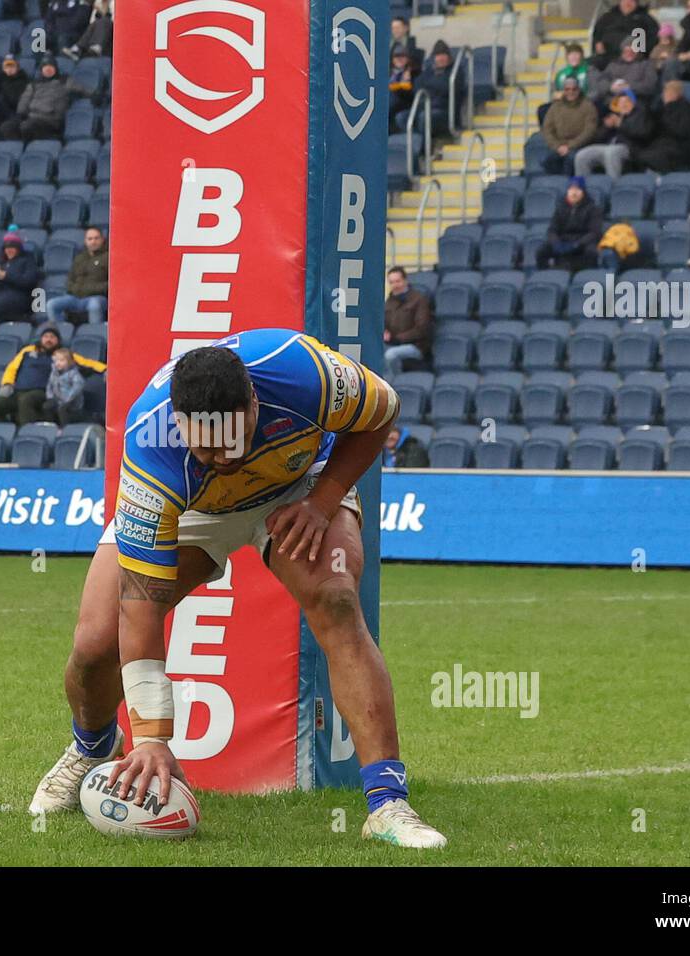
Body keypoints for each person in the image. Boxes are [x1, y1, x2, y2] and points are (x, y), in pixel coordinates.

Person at [27, 329, 447, 850]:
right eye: (208, 450)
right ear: (180, 426)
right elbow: (142, 610)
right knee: (96, 645)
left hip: (299, 485)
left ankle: (388, 804)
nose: (226, 458)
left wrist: (324, 500)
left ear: (254, 401)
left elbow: (383, 412)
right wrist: (152, 740)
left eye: (235, 442)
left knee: (336, 601)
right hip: (194, 511)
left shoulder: (305, 372)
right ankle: (92, 747)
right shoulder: (149, 451)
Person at [0, 325, 104, 426]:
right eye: (46, 336)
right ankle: (7, 431)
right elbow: (11, 368)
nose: (48, 340)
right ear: (41, 339)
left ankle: (29, 435)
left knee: (26, 400)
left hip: (43, 392)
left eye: (52, 337)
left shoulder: (61, 355)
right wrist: (7, 383)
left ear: (57, 340)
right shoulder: (27, 351)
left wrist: (105, 369)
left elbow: (87, 362)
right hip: (18, 391)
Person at [574, 90, 653, 180]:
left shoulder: (640, 114)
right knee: (582, 155)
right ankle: (580, 187)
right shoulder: (615, 114)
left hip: (629, 148)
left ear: (633, 102)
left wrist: (621, 124)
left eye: (626, 102)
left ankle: (613, 187)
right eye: (620, 102)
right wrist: (606, 127)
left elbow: (642, 133)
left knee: (611, 152)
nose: (623, 105)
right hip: (609, 146)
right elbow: (597, 138)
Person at [535, 176, 603, 271]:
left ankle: (584, 277)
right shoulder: (560, 208)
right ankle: (546, 275)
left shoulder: (593, 209)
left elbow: (595, 232)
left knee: (591, 252)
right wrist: (556, 243)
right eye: (571, 189)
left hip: (582, 242)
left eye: (577, 189)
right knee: (541, 251)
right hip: (563, 240)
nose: (574, 193)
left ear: (583, 191)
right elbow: (552, 230)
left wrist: (578, 244)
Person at [46, 226, 107, 325]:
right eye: (90, 239)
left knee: (94, 305)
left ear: (102, 239)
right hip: (75, 297)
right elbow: (70, 280)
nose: (93, 241)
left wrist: (89, 289)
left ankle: (94, 331)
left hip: (97, 297)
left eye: (96, 238)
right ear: (85, 241)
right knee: (51, 304)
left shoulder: (108, 257)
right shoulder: (79, 258)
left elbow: (111, 284)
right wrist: (75, 289)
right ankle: (59, 333)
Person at [0, 57, 67, 141]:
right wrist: (21, 114)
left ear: (55, 68)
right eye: (45, 67)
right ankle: (18, 148)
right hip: (31, 118)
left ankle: (30, 145)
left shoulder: (64, 82)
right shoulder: (34, 84)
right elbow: (24, 101)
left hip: (49, 120)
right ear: (41, 70)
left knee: (27, 126)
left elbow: (82, 89)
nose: (48, 69)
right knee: (6, 126)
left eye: (51, 67)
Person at [539, 75, 596, 175]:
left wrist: (570, 146)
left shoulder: (588, 106)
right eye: (567, 89)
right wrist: (557, 146)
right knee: (546, 160)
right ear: (563, 90)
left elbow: (589, 131)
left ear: (579, 90)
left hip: (579, 146)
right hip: (559, 146)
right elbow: (547, 129)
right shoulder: (555, 106)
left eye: (574, 89)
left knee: (570, 159)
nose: (571, 92)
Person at [634, 80, 690, 173]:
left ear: (677, 93)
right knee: (639, 155)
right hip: (661, 143)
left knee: (653, 156)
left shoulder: (685, 107)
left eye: (669, 92)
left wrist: (667, 109)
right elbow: (653, 129)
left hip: (679, 146)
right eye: (665, 91)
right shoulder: (660, 107)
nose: (665, 94)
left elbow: (683, 131)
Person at [383, 266, 433, 371]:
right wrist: (385, 333)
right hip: (392, 343)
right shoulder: (389, 302)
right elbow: (384, 324)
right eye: (391, 282)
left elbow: (422, 328)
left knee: (390, 355)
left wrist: (397, 339)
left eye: (398, 281)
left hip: (416, 346)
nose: (395, 285)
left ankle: (392, 384)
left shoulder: (419, 299)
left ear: (405, 281)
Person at [590, 0, 659, 71]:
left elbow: (654, 38)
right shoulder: (606, 18)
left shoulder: (646, 19)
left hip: (634, 60)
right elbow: (596, 35)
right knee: (592, 65)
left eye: (631, 1)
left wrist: (640, 51)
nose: (628, 3)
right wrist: (597, 44)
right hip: (608, 58)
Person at [587, 40, 657, 107]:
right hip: (612, 100)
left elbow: (650, 86)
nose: (629, 53)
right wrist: (610, 86)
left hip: (635, 100)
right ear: (622, 52)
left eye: (633, 51)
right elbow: (602, 81)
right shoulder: (613, 64)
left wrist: (628, 87)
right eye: (626, 51)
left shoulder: (646, 65)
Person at [537, 43, 588, 125]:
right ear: (567, 57)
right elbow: (557, 92)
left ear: (581, 56)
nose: (574, 57)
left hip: (581, 103)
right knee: (543, 109)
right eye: (571, 54)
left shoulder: (589, 71)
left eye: (576, 54)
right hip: (564, 103)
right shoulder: (561, 74)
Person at [43, 346, 86, 426]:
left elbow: (77, 387)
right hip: (58, 400)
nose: (58, 363)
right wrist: (50, 397)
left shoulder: (73, 373)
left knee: (62, 409)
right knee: (47, 406)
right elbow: (49, 385)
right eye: (56, 361)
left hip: (72, 403)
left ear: (70, 362)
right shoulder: (54, 373)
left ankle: (64, 428)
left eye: (62, 360)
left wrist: (67, 399)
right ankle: (51, 426)